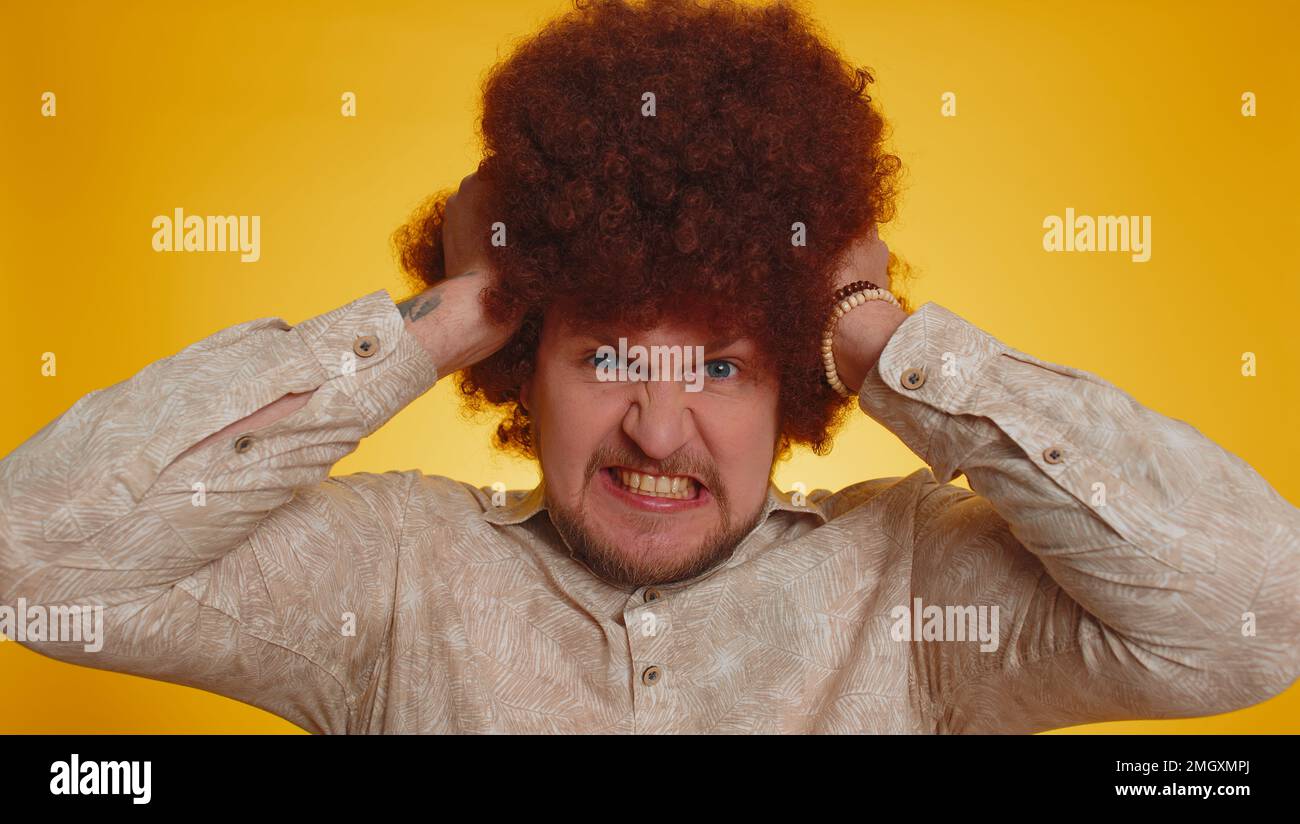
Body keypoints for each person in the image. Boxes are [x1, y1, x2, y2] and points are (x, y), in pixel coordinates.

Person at [2, 0, 1298, 734]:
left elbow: (1259, 617)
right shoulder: (389, 580)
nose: (661, 428)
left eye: (723, 365)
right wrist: (448, 313)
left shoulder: (914, 594)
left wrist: (876, 329)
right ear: (523, 367)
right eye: (608, 351)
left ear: (796, 379)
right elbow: (30, 564)